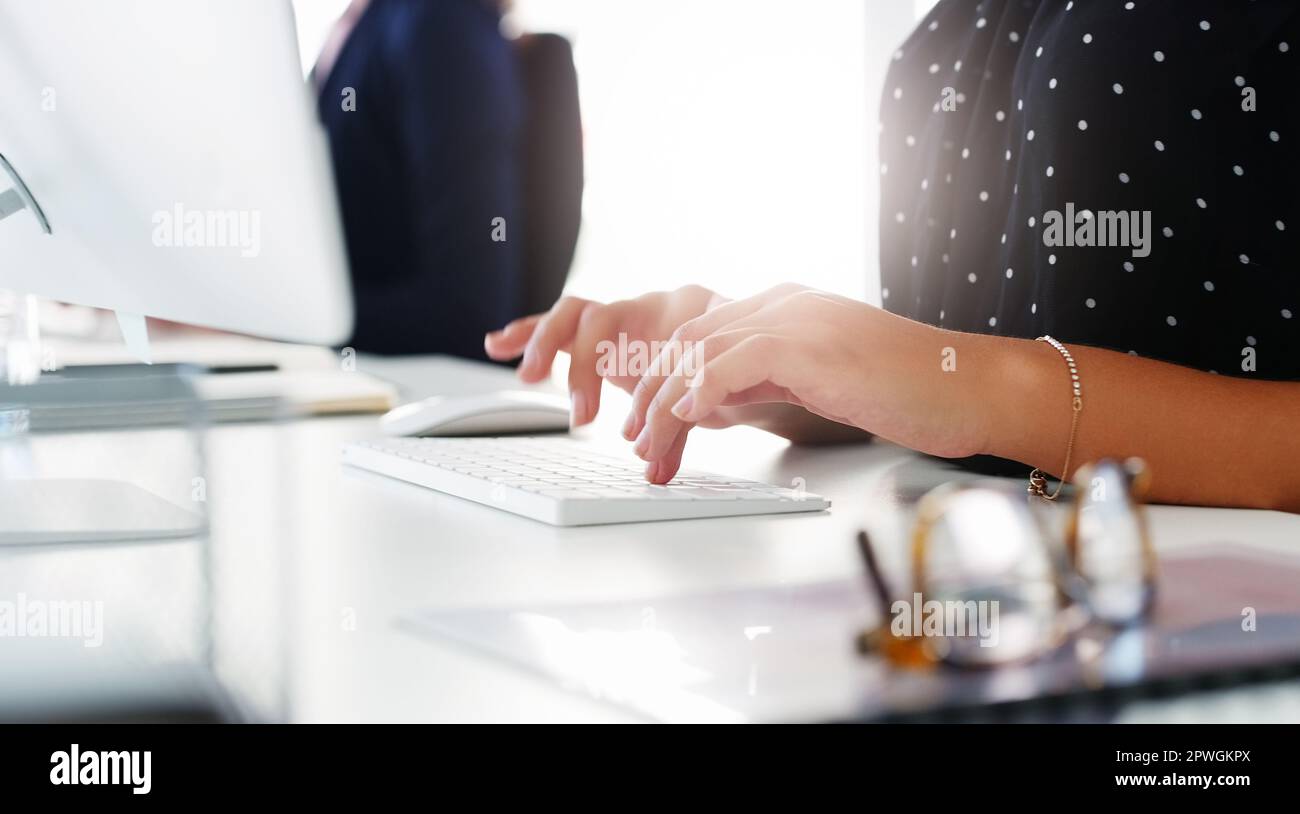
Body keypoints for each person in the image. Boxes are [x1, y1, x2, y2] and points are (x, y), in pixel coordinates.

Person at [485, 1, 1300, 512]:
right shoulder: (959, 27)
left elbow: (984, 388)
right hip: (992, 592)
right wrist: (773, 366)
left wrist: (973, 381)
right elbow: (962, 395)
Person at [315, 0, 523, 359]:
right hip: (357, 376)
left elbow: (467, 314)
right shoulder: (365, 21)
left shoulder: (441, 21)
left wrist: (275, 318)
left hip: (414, 393)